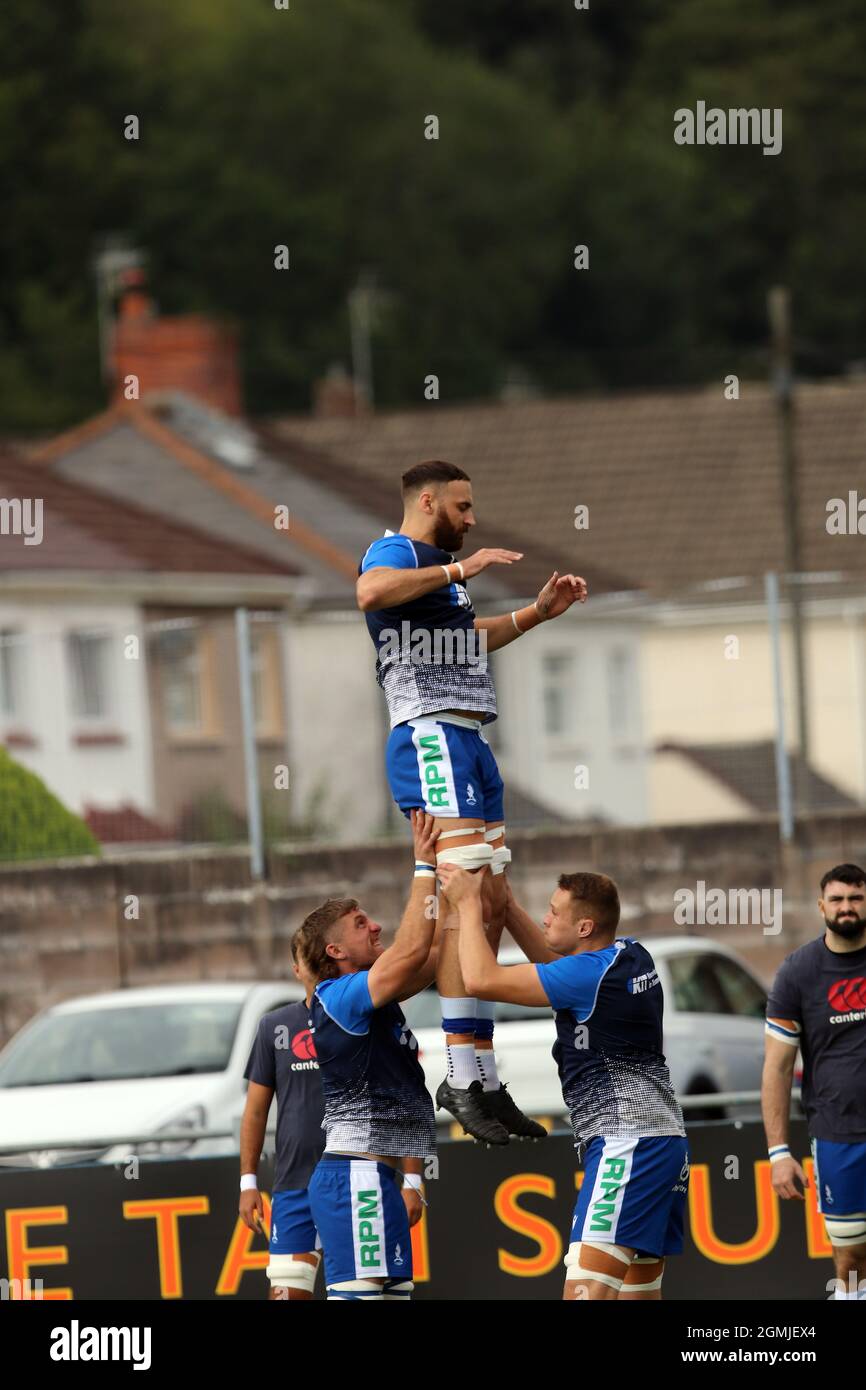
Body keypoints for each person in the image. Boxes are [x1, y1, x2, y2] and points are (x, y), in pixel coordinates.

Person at [356, 458, 586, 1142]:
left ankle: (481, 1077)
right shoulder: (396, 551)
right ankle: (460, 1073)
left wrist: (536, 614)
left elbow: (466, 639)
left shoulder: (435, 581)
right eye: (463, 507)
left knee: (486, 902)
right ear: (428, 501)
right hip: (430, 737)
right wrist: (463, 568)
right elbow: (370, 593)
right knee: (463, 898)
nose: (472, 518)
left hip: (471, 742)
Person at [438, 863, 689, 1301]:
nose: (546, 918)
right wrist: (510, 907)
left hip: (624, 1141)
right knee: (638, 1293)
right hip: (664, 1140)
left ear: (586, 926)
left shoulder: (587, 976)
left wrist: (466, 901)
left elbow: (481, 979)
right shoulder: (630, 954)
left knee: (584, 1291)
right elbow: (556, 963)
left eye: (554, 912)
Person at [296, 810, 438, 1301]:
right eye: (361, 924)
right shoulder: (340, 995)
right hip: (354, 1175)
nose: (375, 926)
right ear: (335, 950)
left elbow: (440, 952)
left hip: (380, 1175)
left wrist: (474, 886)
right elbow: (415, 943)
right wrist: (424, 866)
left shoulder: (376, 997)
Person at [763, 862, 866, 1301]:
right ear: (822, 905)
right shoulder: (798, 972)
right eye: (839, 899)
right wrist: (779, 1152)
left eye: (857, 898)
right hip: (838, 1135)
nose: (848, 907)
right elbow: (777, 1068)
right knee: (852, 1261)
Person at [238, 937, 325, 1300]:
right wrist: (247, 1183)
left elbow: (405, 1096)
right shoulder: (275, 1026)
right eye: (308, 957)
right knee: (287, 1295)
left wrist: (411, 1176)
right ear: (297, 969)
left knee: (358, 1293)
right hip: (294, 1186)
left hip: (357, 1182)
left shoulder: (365, 1017)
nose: (316, 963)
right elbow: (256, 1111)